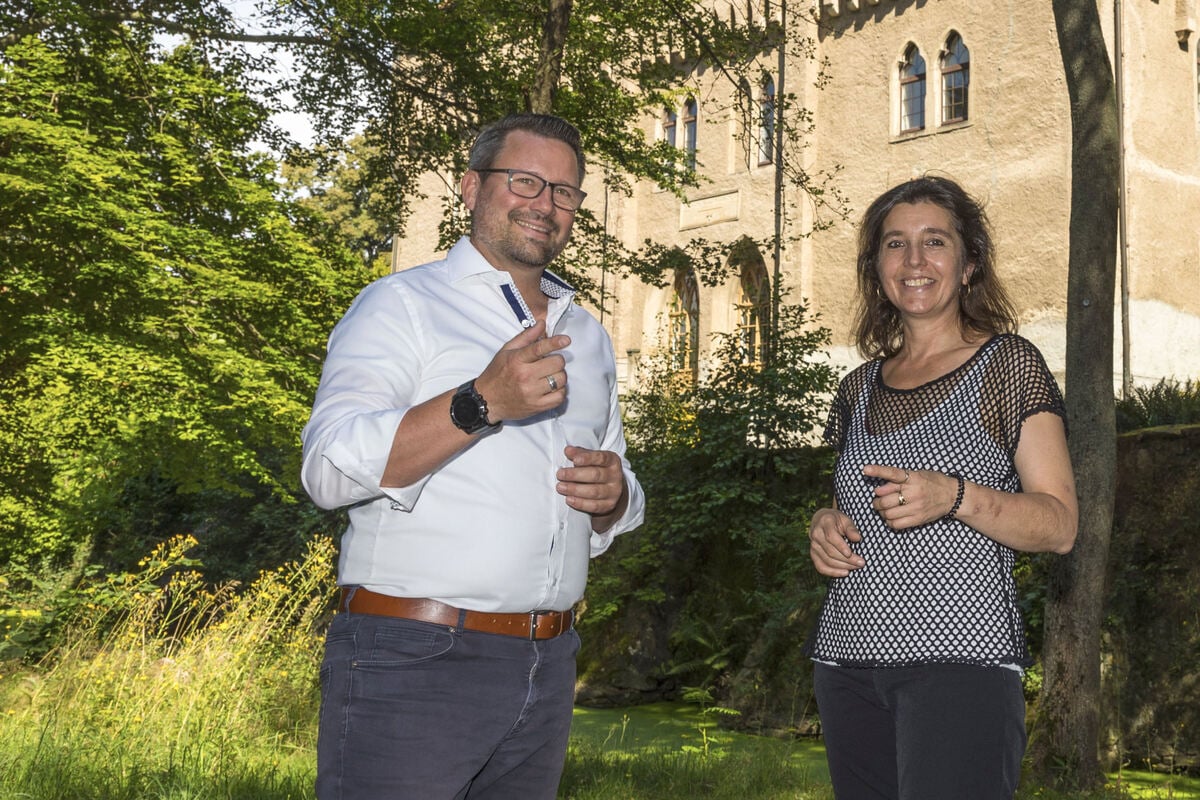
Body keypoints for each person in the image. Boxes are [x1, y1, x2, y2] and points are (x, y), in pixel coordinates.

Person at [300, 113, 645, 799]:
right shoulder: (400, 305)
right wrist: (477, 403)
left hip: (549, 663)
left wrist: (614, 498)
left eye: (565, 192)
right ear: (471, 187)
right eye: (525, 181)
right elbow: (328, 468)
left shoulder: (590, 336)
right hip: (413, 660)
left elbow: (617, 495)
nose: (545, 204)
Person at [804, 175, 1078, 799]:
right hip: (846, 664)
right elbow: (852, 504)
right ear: (876, 268)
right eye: (895, 245)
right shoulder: (857, 387)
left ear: (969, 263)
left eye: (935, 241)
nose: (915, 261)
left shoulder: (1008, 365)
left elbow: (1060, 525)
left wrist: (956, 495)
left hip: (959, 664)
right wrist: (823, 523)